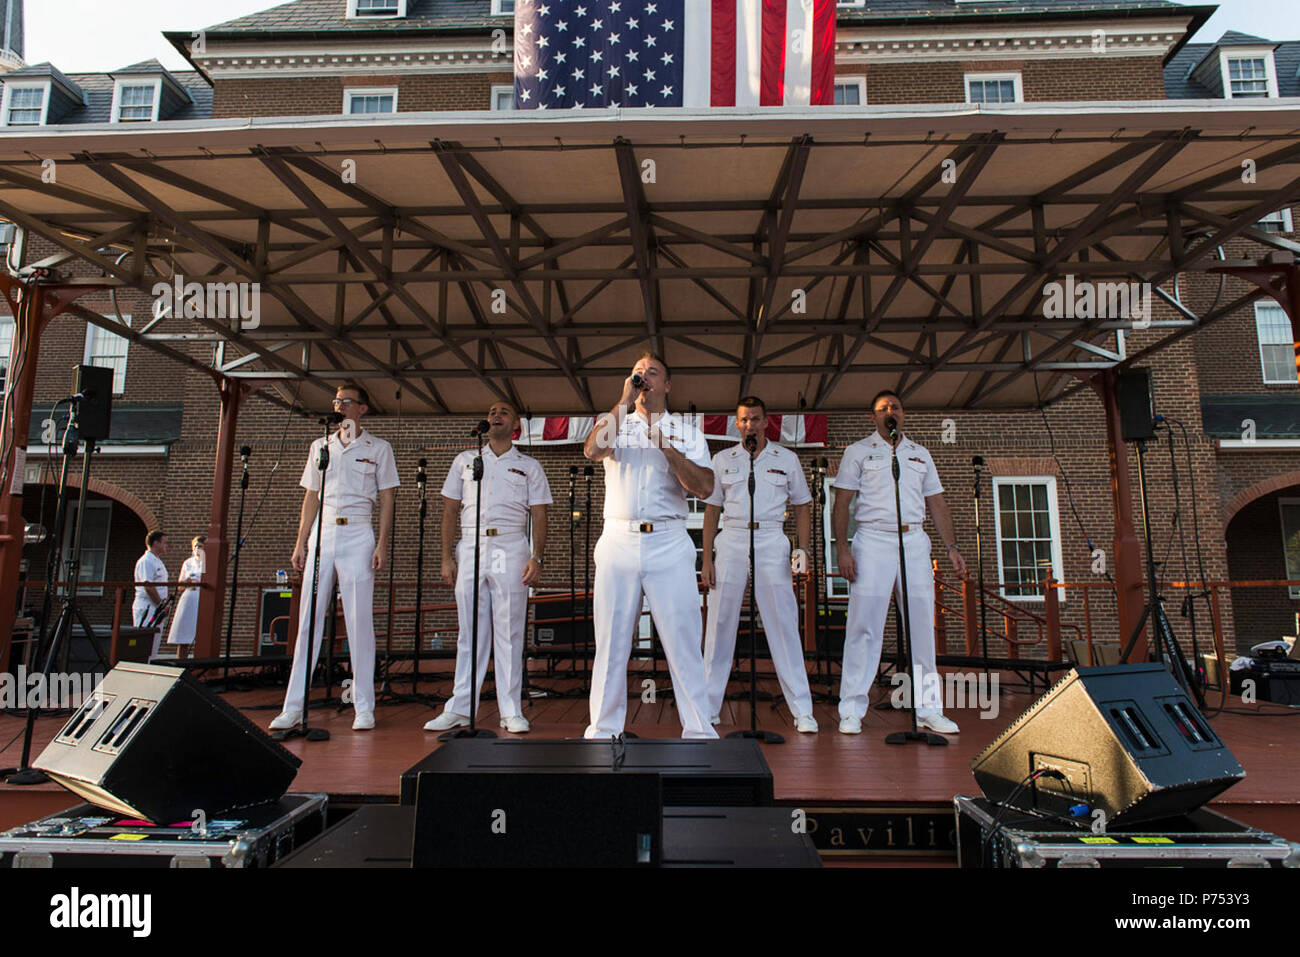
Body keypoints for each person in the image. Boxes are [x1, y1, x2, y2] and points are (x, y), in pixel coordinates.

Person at [583, 352, 717, 739]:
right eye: (638, 372)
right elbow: (592, 451)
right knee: (610, 641)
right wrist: (623, 403)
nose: (644, 377)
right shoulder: (616, 421)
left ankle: (699, 730)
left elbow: (705, 487)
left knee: (682, 638)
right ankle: (604, 729)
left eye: (652, 372)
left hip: (668, 540)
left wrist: (667, 446)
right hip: (619, 538)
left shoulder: (688, 431)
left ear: (667, 385)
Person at [832, 389, 967, 735]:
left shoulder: (920, 454)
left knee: (922, 625)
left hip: (913, 540)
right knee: (864, 627)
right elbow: (842, 502)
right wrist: (842, 548)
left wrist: (950, 547)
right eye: (882, 408)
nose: (890, 411)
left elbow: (936, 502)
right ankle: (851, 708)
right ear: (873, 417)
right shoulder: (857, 452)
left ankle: (928, 708)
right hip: (873, 539)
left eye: (895, 407)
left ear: (902, 414)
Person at [269, 382, 398, 733]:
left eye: (346, 402)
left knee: (359, 621)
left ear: (362, 408)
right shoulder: (320, 446)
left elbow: (387, 498)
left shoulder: (379, 448)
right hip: (323, 533)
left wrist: (382, 543)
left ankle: (363, 705)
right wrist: (301, 542)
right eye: (336, 401)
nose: (339, 406)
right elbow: (311, 496)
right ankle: (293, 707)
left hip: (358, 532)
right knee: (308, 619)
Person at [424, 401, 551, 734]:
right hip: (471, 544)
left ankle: (511, 710)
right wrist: (446, 557)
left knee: (509, 630)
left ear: (515, 425)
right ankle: (462, 707)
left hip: (509, 544)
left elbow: (539, 514)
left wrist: (536, 557)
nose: (496, 415)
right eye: (492, 411)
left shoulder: (528, 465)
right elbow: (450, 511)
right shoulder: (466, 461)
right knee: (470, 631)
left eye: (504, 412)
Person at [701, 397, 817, 732]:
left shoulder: (787, 458)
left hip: (771, 538)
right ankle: (708, 707)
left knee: (782, 623)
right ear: (736, 424)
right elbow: (711, 510)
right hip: (733, 537)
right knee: (720, 625)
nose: (749, 425)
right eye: (743, 420)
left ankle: (802, 710)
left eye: (755, 419)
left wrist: (804, 549)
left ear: (767, 422)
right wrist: (707, 557)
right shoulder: (722, 458)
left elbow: (803, 505)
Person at [164, 536, 205, 659]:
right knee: (183, 635)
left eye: (200, 546)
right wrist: (185, 582)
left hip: (202, 597)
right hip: (189, 597)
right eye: (195, 546)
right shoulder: (187, 563)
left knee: (201, 635)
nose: (197, 549)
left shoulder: (209, 562)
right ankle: (181, 662)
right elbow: (179, 585)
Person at [132, 531, 168, 658]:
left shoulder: (157, 561)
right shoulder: (146, 561)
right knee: (144, 645)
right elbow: (148, 585)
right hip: (147, 607)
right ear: (155, 543)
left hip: (156, 608)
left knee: (153, 646)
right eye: (164, 543)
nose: (166, 546)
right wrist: (161, 605)